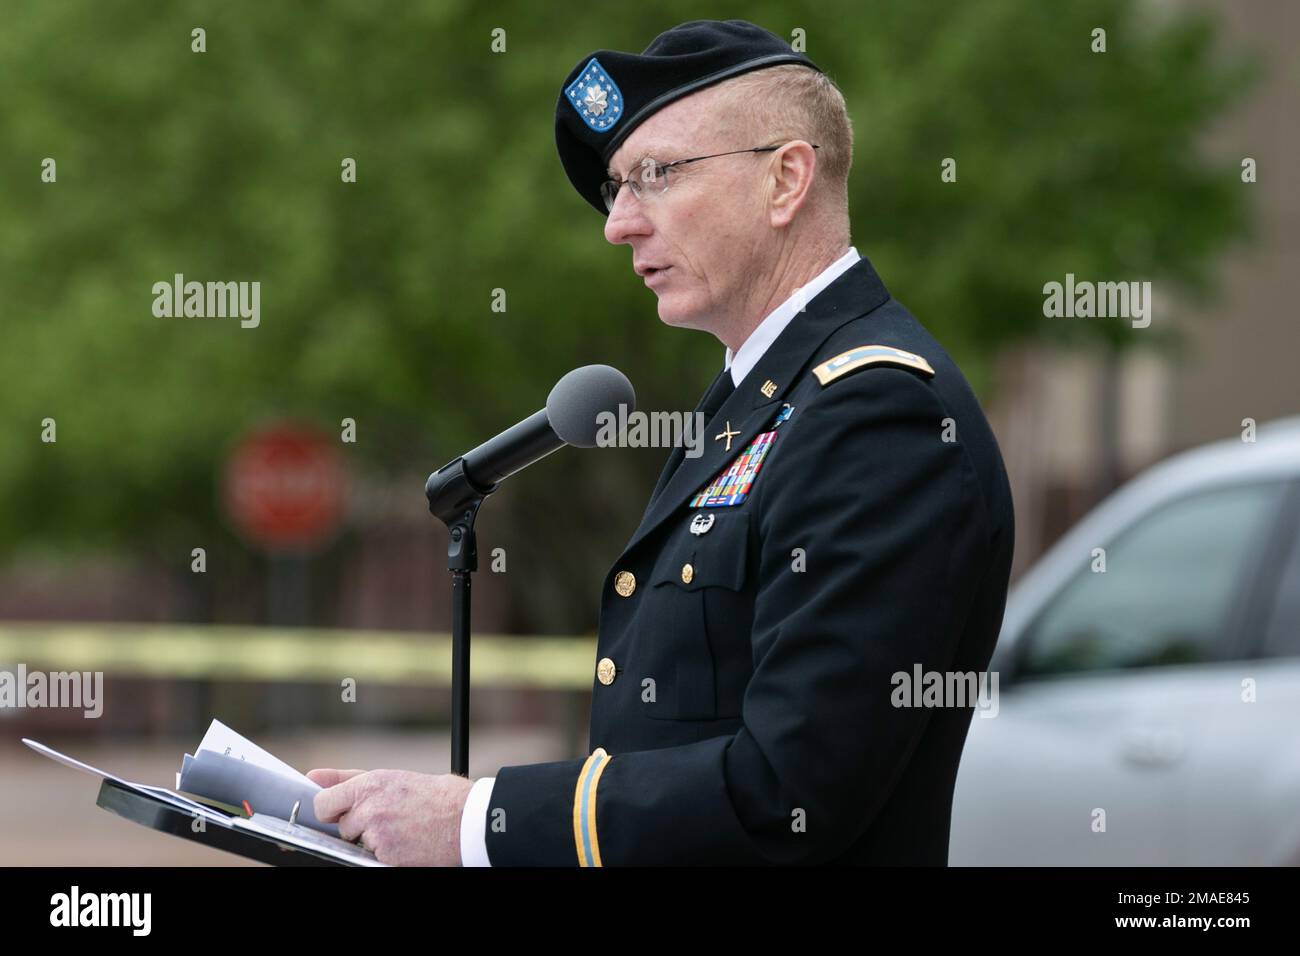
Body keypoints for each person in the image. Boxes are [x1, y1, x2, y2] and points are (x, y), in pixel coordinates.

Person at [312, 18, 1015, 866]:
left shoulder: (878, 415)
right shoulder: (759, 399)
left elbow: (789, 790)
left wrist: (477, 824)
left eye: (655, 176)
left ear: (786, 179)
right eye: (616, 189)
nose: (619, 225)